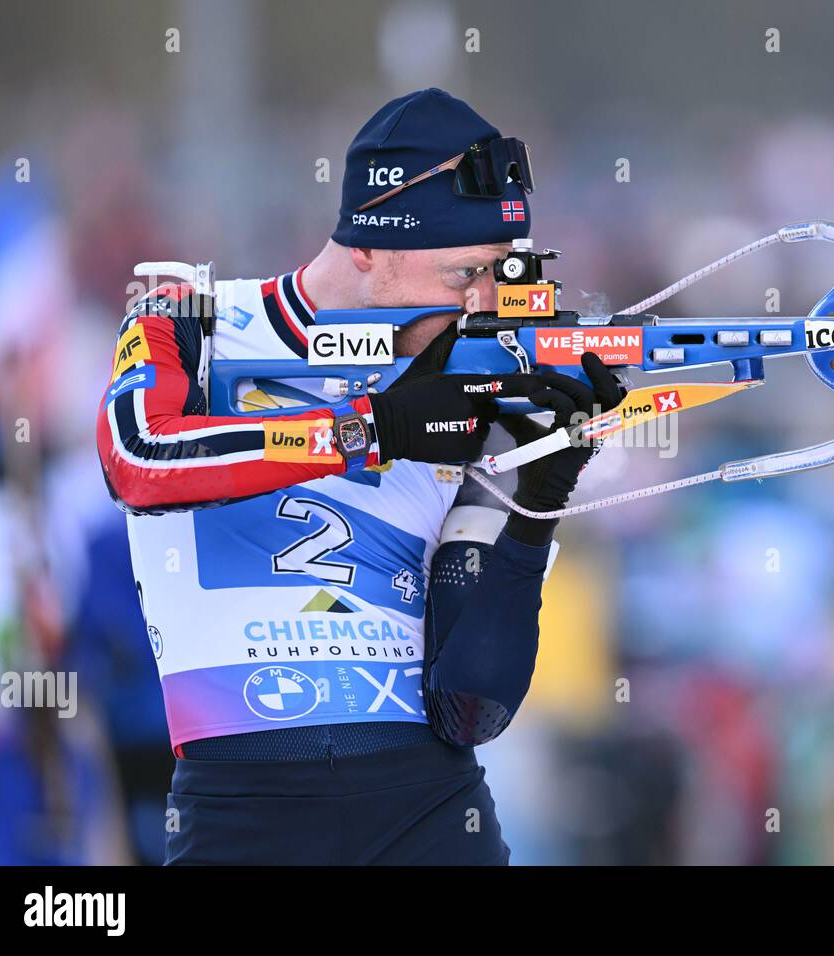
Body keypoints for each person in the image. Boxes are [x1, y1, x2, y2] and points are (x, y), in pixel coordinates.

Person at [95, 88, 622, 865]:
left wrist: (538, 499)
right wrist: (374, 429)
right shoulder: (194, 320)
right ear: (370, 248)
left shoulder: (480, 384)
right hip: (238, 810)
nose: (482, 304)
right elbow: (138, 458)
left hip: (427, 808)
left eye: (498, 274)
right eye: (462, 275)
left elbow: (471, 704)